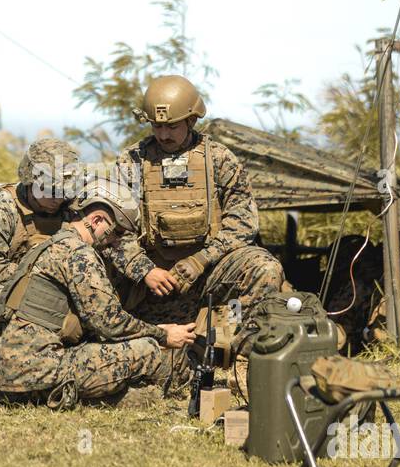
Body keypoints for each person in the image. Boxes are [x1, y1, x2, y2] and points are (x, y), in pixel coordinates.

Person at [0, 179, 197, 408]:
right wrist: (161, 334)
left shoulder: (53, 244)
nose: (116, 241)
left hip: (11, 371)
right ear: (96, 220)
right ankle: (165, 393)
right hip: (37, 371)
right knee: (148, 350)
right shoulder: (79, 253)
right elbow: (110, 323)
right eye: (116, 232)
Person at [108, 75, 283, 325]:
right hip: (154, 278)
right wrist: (144, 270)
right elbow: (115, 228)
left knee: (264, 267)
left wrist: (201, 259)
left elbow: (243, 222)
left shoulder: (219, 159)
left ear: (191, 120)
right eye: (157, 126)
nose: (163, 134)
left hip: (210, 268)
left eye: (172, 126)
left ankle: (241, 345)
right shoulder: (132, 161)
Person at [0, 137, 81, 380]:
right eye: (50, 190)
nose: (57, 198)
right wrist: (43, 276)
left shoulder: (71, 209)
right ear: (30, 181)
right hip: (9, 294)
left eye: (63, 190)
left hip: (55, 293)